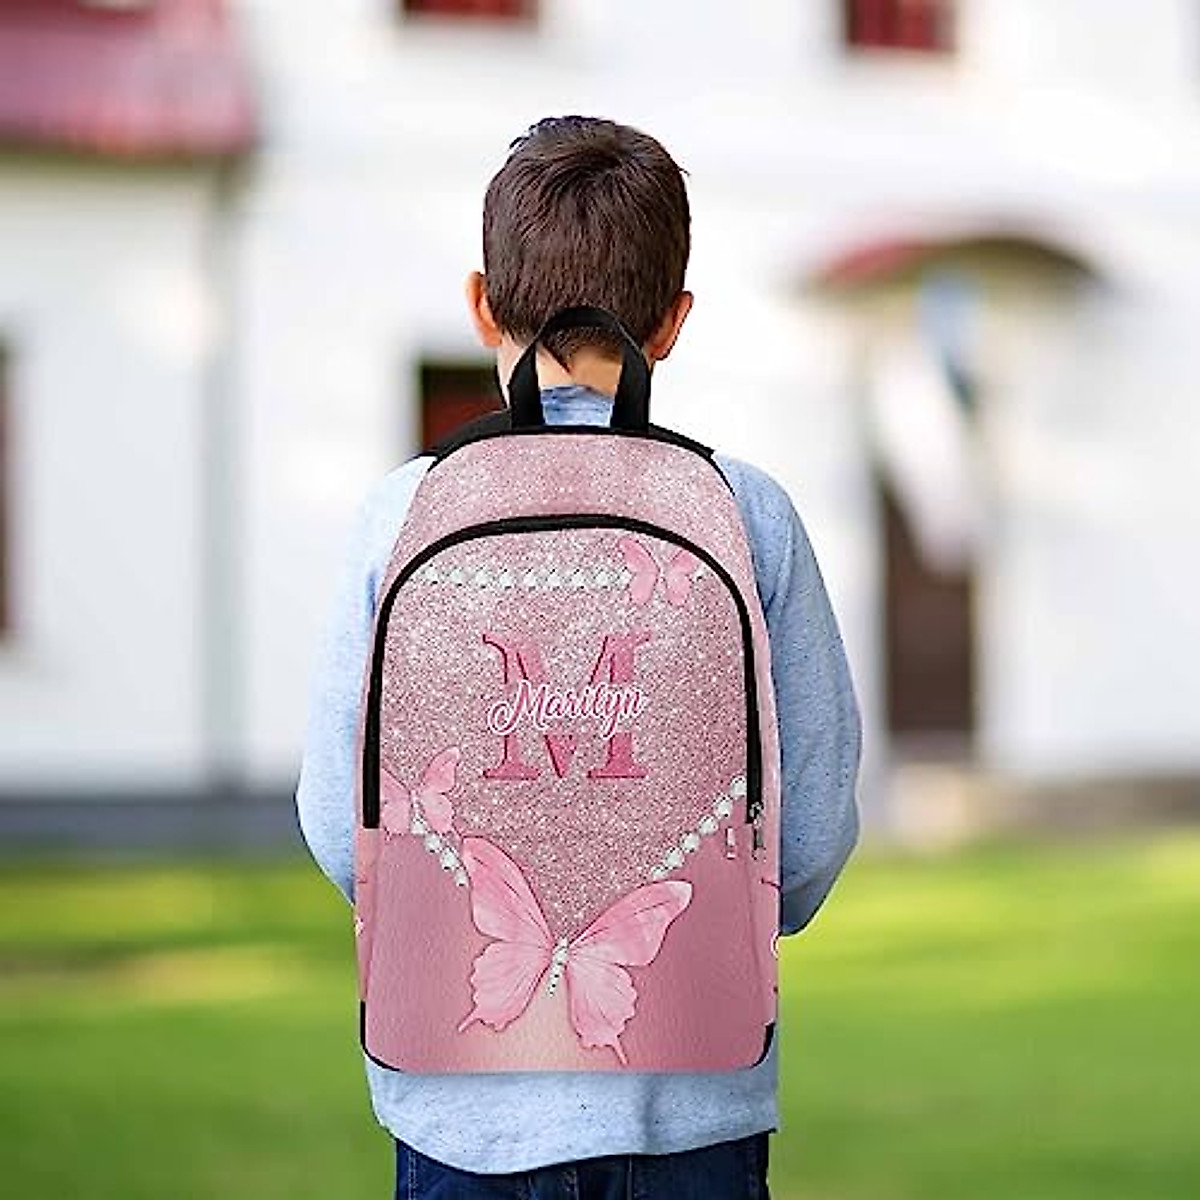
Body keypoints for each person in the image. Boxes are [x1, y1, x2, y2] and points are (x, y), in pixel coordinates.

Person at [296, 115, 862, 1200]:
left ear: (481, 305)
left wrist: (440, 919)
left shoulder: (402, 513)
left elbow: (339, 820)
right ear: (674, 321)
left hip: (459, 1104)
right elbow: (809, 838)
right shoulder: (749, 513)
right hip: (695, 1100)